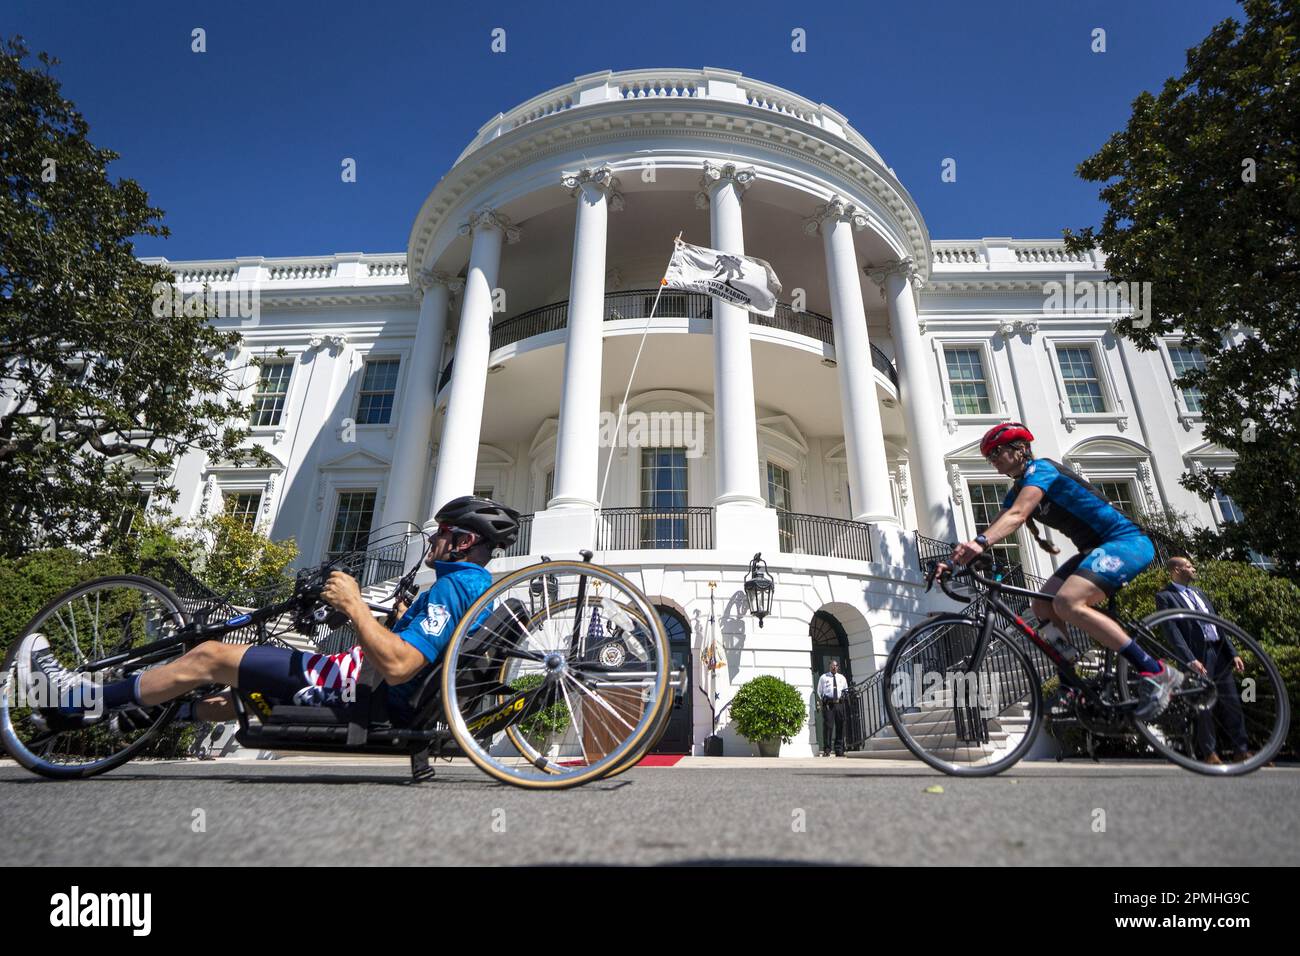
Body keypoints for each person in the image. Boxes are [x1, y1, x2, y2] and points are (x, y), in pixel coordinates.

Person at [18, 496, 521, 730]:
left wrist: (353, 605)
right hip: (358, 684)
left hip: (358, 689)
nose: (433, 541)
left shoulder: (458, 586)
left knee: (212, 656)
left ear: (463, 540)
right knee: (236, 688)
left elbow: (400, 665)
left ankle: (78, 699)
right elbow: (410, 652)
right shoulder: (469, 587)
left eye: (441, 533)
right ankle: (126, 712)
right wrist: (372, 620)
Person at [941, 422, 1181, 721]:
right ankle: (1071, 683)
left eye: (997, 452)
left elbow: (1017, 516)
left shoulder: (1041, 470)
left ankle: (1156, 671)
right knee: (1042, 605)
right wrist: (954, 560)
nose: (994, 460)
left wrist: (980, 543)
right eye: (989, 457)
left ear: (1021, 450)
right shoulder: (1018, 488)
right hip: (1094, 550)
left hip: (1126, 542)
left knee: (1067, 602)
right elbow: (996, 525)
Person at [1156, 556, 1251, 763]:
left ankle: (1241, 749)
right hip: (1197, 657)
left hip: (1218, 652)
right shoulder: (1166, 597)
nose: (1193, 568)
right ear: (1177, 570)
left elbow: (1216, 624)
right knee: (1203, 705)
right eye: (1189, 566)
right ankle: (1209, 753)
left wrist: (1232, 653)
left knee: (1232, 701)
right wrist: (1189, 659)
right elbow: (1172, 632)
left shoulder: (1199, 593)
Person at [817, 659, 848, 756]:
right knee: (828, 727)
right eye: (832, 666)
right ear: (829, 666)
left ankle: (839, 749)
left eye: (836, 666)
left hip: (839, 704)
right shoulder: (823, 677)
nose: (834, 667)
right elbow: (819, 691)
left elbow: (845, 690)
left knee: (840, 726)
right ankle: (827, 750)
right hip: (829, 704)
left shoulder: (842, 678)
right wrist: (823, 700)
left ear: (838, 667)